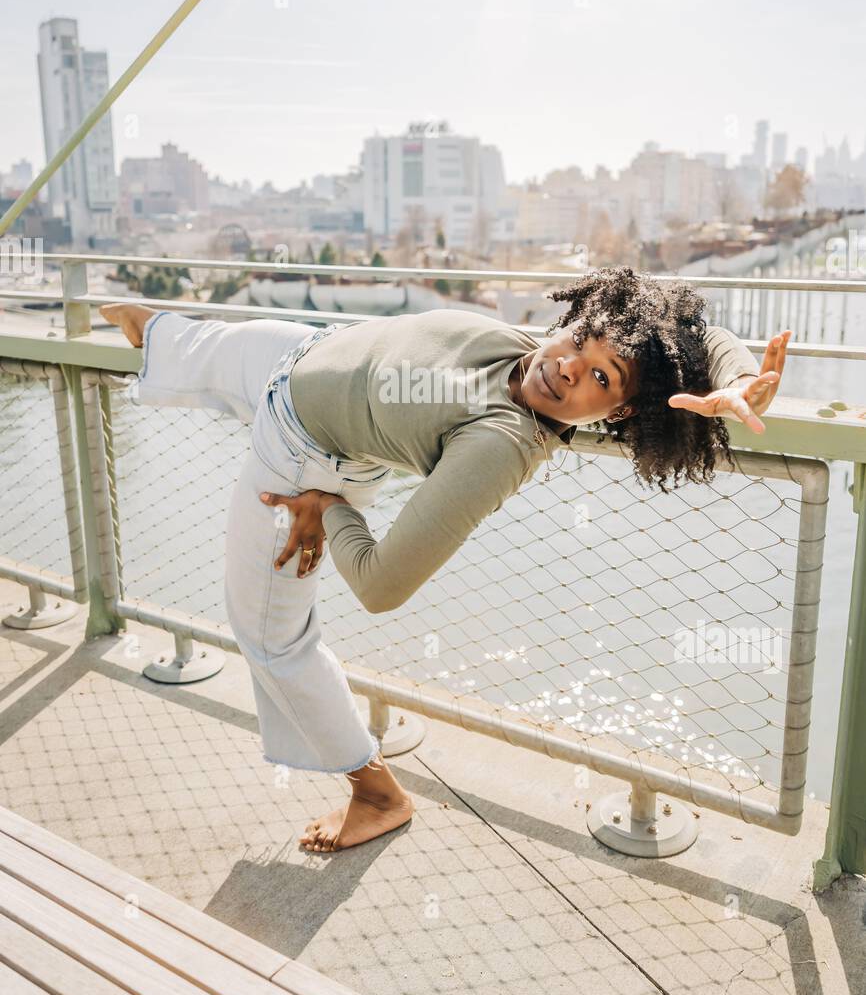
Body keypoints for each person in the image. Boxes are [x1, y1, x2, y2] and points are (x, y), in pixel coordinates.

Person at [100, 265, 790, 853]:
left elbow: (381, 585)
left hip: (302, 451)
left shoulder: (501, 443)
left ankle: (375, 794)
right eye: (581, 338)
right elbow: (689, 327)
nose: (571, 365)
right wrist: (740, 372)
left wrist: (326, 507)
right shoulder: (534, 351)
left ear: (618, 413)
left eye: (601, 378)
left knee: (269, 636)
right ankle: (158, 334)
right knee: (197, 343)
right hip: (301, 354)